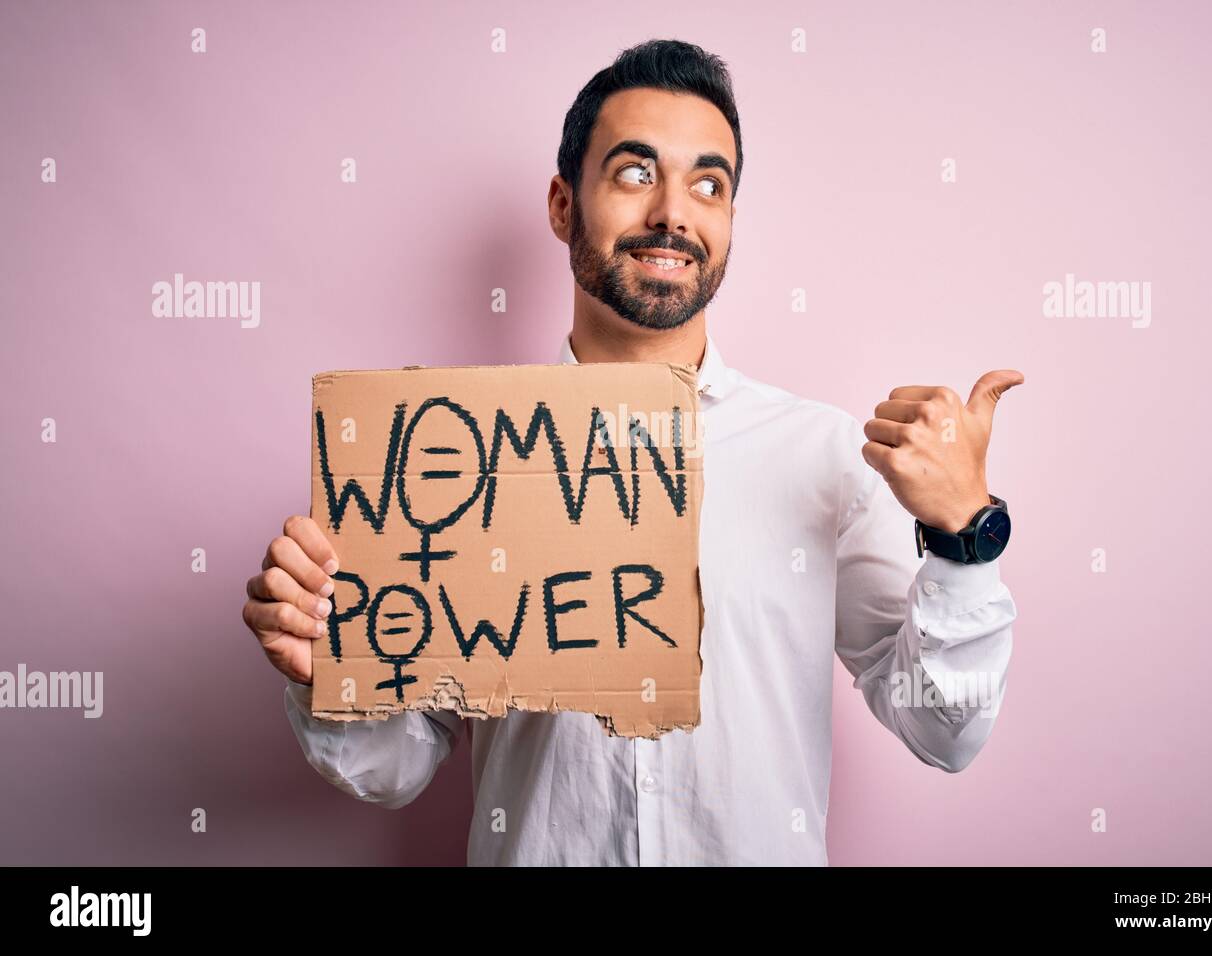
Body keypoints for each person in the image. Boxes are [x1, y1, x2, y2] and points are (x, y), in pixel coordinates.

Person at [240, 39, 1021, 865]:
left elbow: (945, 732)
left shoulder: (822, 457)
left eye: (708, 186)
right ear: (561, 205)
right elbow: (393, 767)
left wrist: (962, 540)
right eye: (635, 173)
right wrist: (321, 676)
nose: (674, 215)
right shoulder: (447, 463)